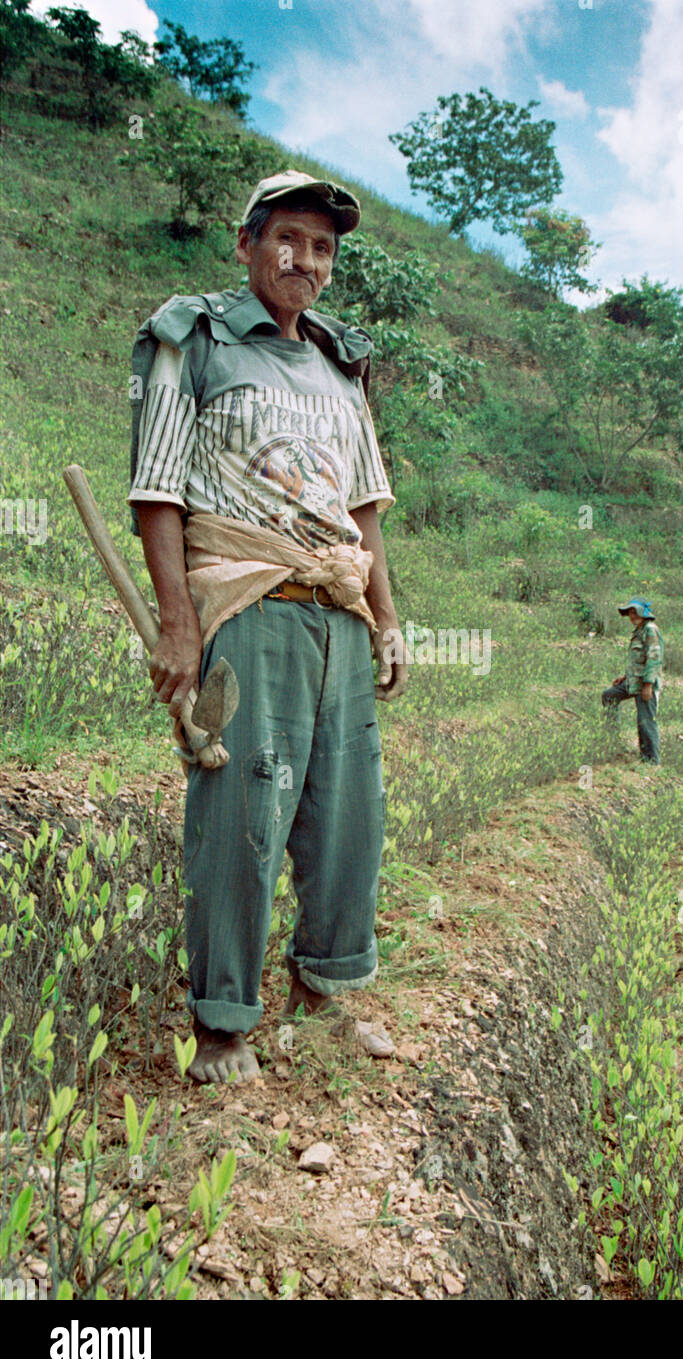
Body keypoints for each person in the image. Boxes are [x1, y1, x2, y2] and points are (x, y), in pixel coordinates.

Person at [127, 170, 409, 1083]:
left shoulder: (338, 363)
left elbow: (364, 509)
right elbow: (158, 489)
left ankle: (323, 995)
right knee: (243, 809)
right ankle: (223, 1026)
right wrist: (178, 624)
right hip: (248, 609)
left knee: (346, 818)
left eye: (323, 248)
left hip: (338, 615)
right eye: (288, 239)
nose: (306, 261)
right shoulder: (195, 339)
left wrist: (387, 621)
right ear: (246, 242)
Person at [601, 598, 663, 765]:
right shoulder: (639, 631)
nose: (632, 616)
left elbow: (654, 659)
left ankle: (652, 762)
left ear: (643, 613)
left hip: (645, 684)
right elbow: (638, 660)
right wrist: (625, 677)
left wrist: (648, 685)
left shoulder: (650, 630)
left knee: (645, 722)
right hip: (633, 682)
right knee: (609, 695)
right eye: (629, 613)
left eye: (634, 612)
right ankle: (612, 738)